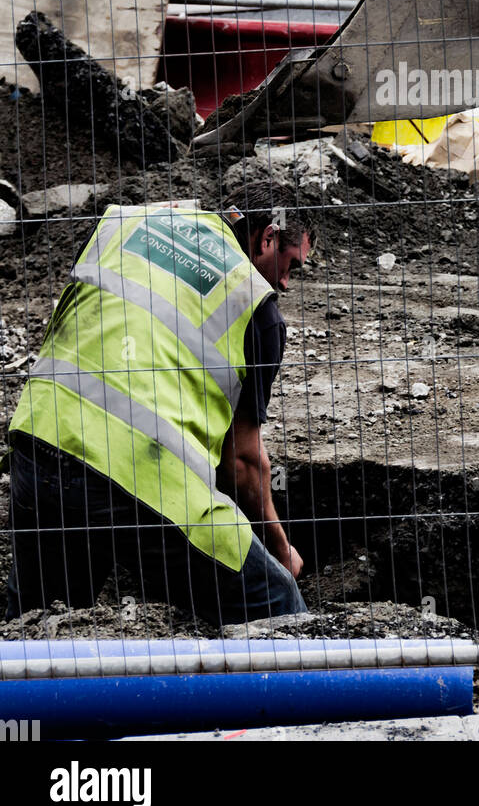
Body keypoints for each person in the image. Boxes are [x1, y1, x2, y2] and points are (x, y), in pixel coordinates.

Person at [6, 185, 314, 624]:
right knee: (276, 604)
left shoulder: (122, 224)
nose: (285, 282)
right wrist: (282, 552)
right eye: (291, 266)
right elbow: (242, 464)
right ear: (267, 238)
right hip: (139, 473)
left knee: (43, 628)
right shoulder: (257, 307)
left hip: (39, 441)